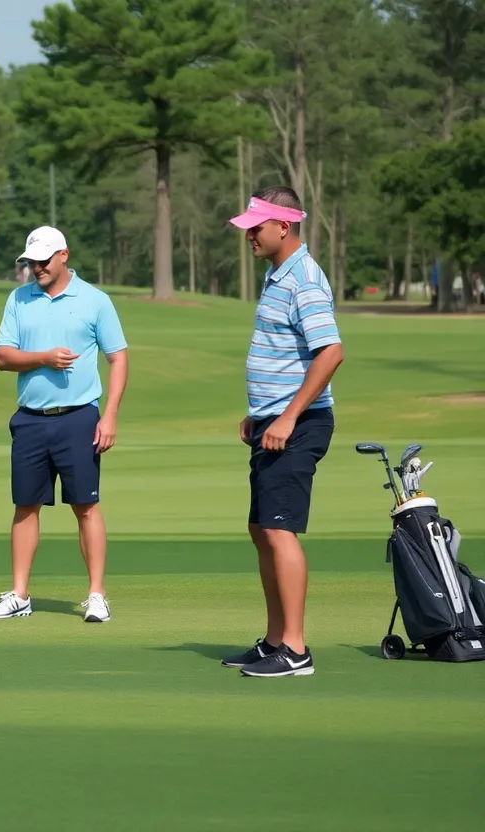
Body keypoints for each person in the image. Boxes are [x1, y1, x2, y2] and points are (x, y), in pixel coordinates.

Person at [221, 187, 343, 678]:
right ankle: (275, 639)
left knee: (279, 530)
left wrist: (288, 415)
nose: (249, 234)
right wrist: (262, 412)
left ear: (283, 227)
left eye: (256, 226)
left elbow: (330, 352)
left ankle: (295, 649)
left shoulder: (304, 280)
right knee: (261, 530)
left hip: (298, 426)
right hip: (271, 423)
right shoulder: (278, 275)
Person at [0, 226, 129, 623]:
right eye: (31, 263)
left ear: (64, 256)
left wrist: (111, 414)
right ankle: (19, 595)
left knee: (86, 506)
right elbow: (2, 356)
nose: (36, 269)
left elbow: (118, 358)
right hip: (30, 420)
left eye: (43, 261)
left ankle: (97, 595)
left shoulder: (95, 301)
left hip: (80, 418)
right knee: (25, 507)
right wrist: (44, 357)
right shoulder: (19, 299)